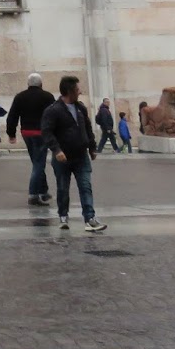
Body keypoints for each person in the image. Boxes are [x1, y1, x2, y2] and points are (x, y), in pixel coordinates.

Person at [40, 75, 106, 233]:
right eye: (77, 89)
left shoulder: (80, 108)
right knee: (63, 188)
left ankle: (90, 218)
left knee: (85, 186)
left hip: (81, 155)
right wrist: (57, 150)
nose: (80, 92)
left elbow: (87, 128)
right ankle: (63, 216)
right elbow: (47, 132)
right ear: (69, 91)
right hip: (62, 157)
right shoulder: (53, 110)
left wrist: (92, 147)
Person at [7, 73, 56, 206]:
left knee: (37, 162)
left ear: (28, 84)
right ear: (41, 84)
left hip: (26, 132)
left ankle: (44, 191)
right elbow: (54, 115)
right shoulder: (48, 96)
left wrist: (11, 134)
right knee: (39, 164)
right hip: (42, 132)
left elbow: (12, 116)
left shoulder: (20, 97)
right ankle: (33, 194)